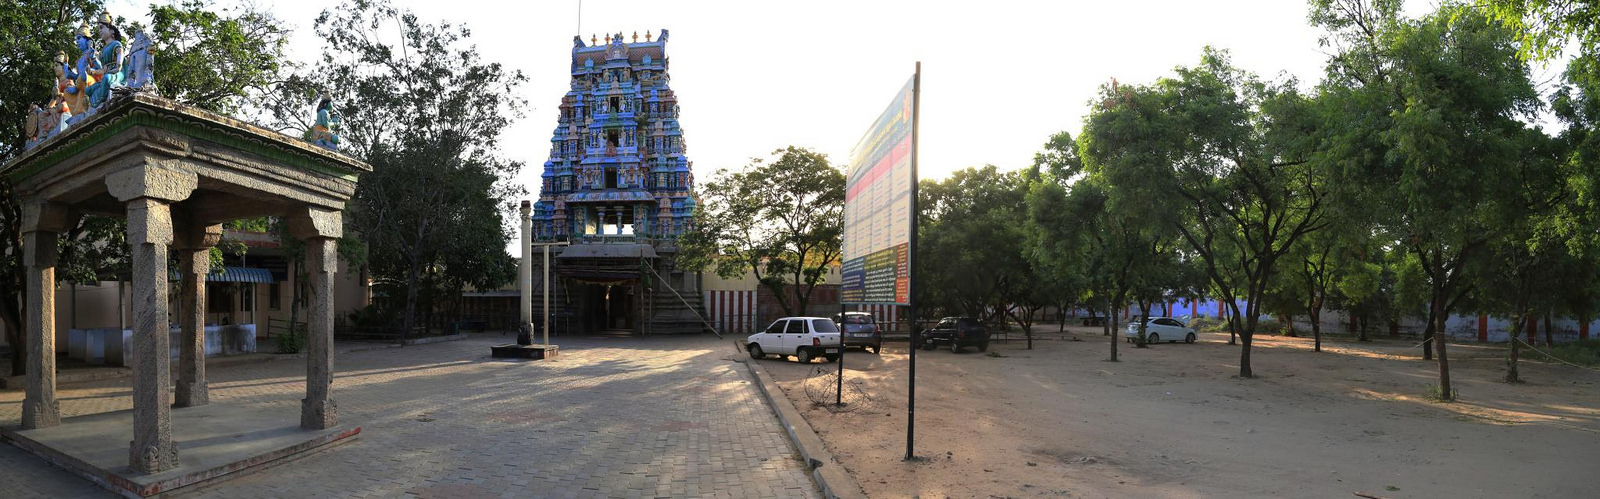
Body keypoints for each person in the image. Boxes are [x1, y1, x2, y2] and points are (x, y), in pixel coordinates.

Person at [85, 12, 125, 110]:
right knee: (88, 90)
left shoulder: (116, 44)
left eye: (101, 27)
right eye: (99, 28)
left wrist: (116, 67)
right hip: (108, 74)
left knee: (106, 78)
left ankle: (102, 102)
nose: (99, 31)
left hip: (118, 74)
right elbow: (103, 70)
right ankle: (92, 106)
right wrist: (92, 71)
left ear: (111, 31)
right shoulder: (102, 51)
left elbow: (119, 64)